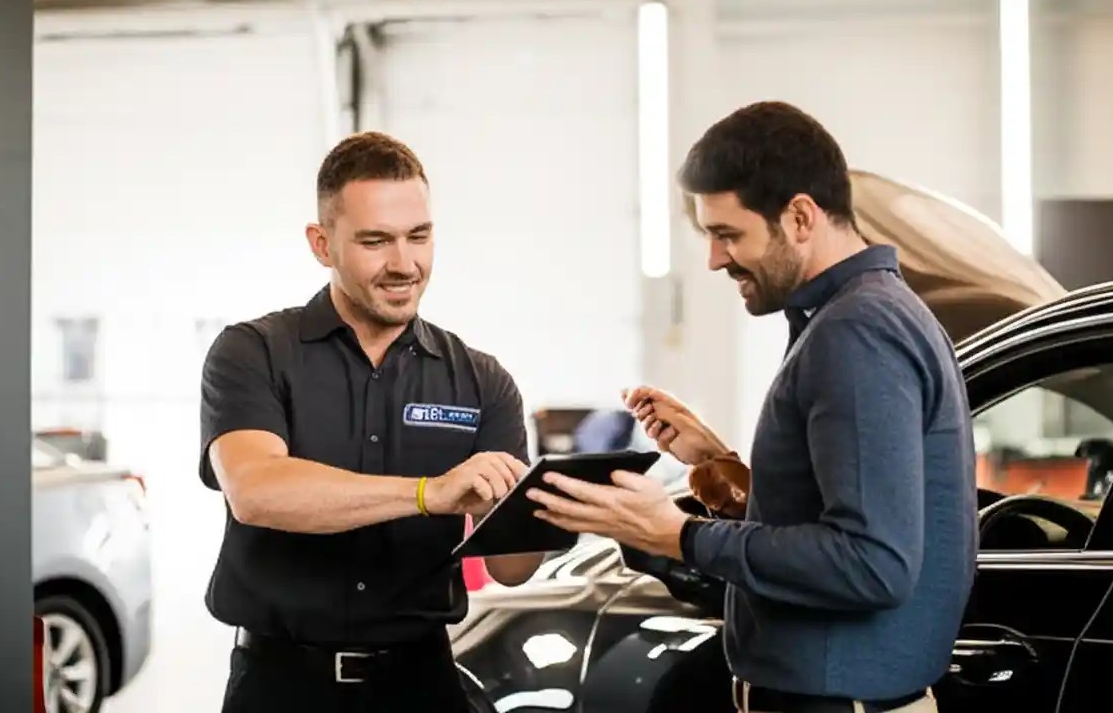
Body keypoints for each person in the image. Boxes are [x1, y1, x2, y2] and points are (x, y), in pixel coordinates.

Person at [527, 101, 976, 713]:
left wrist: (677, 534)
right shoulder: (865, 316)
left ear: (798, 217)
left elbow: (872, 565)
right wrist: (717, 462)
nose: (715, 259)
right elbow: (840, 512)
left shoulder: (856, 333)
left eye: (727, 234)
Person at [199, 131, 546, 712]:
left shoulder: (482, 380)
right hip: (281, 685)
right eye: (375, 241)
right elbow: (257, 492)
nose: (404, 264)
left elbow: (513, 569)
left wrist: (546, 509)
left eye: (420, 236)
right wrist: (429, 493)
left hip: (422, 684)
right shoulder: (252, 352)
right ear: (321, 243)